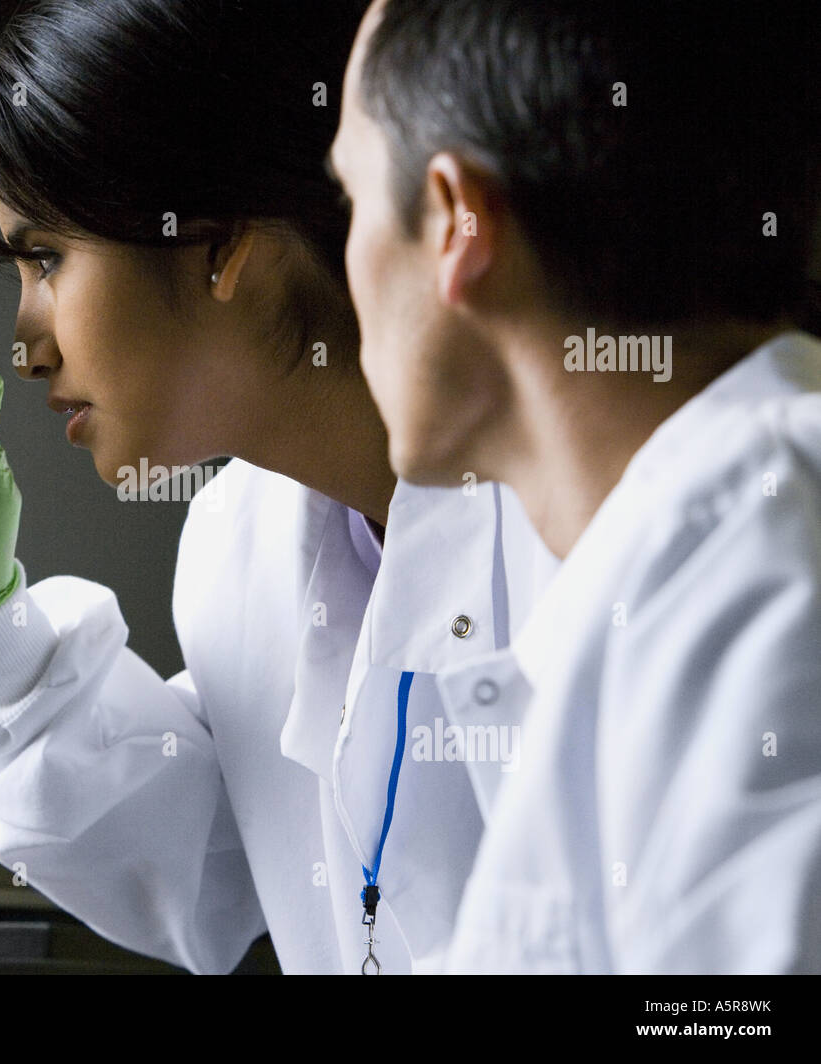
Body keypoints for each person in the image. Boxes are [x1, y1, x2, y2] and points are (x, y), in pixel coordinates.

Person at [0, 0, 554, 974]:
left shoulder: (565, 506)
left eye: (46, 258)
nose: (25, 345)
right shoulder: (240, 541)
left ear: (218, 241)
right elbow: (205, 869)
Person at [331, 0, 821, 971]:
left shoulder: (751, 539)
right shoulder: (704, 536)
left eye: (349, 202)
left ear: (456, 222)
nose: (345, 263)